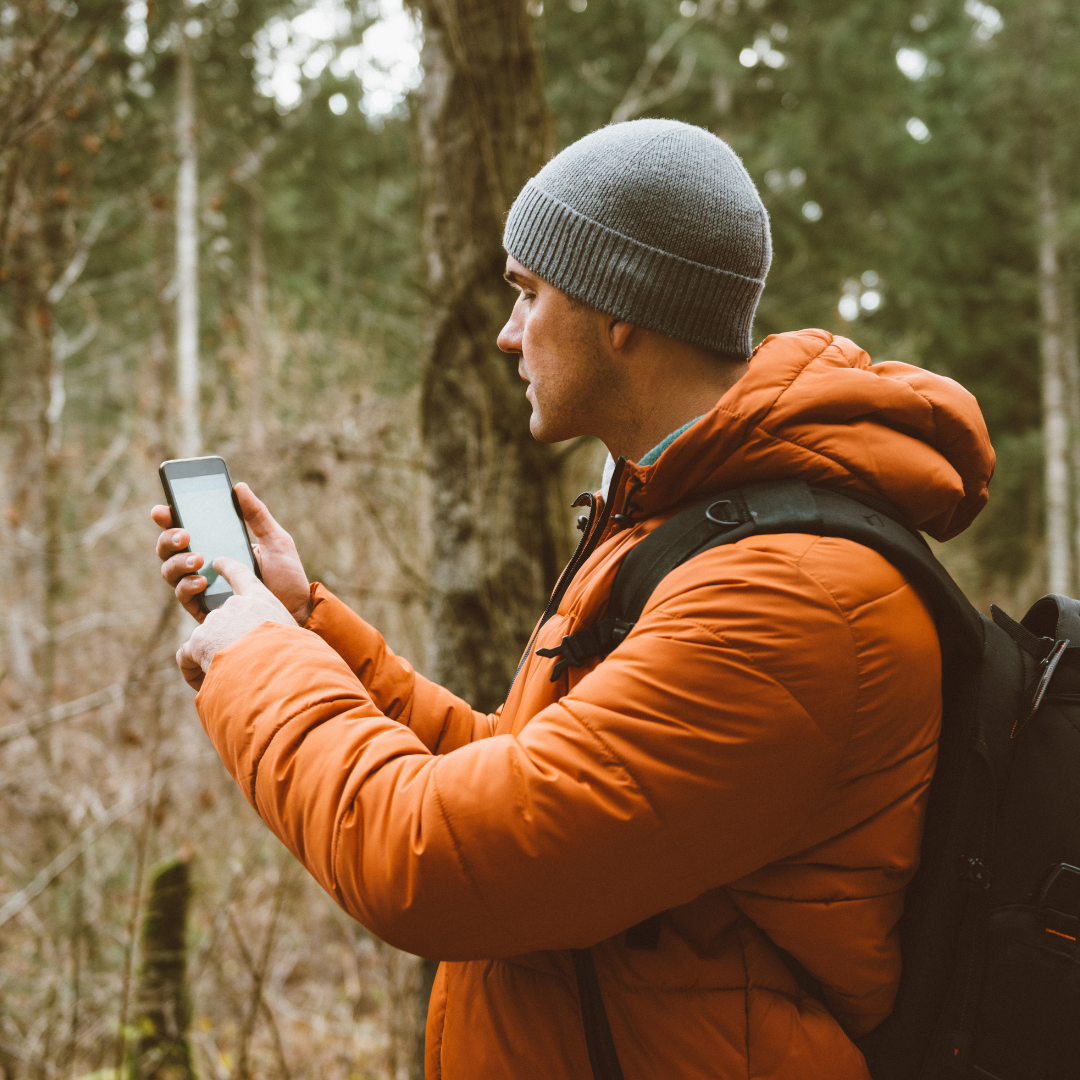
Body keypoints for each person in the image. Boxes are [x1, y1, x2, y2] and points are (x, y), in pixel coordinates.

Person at [153, 119, 994, 1079]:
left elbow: (439, 864)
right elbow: (524, 782)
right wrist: (307, 623)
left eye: (529, 294)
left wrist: (259, 656)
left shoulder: (786, 599)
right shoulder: (681, 532)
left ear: (619, 310)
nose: (508, 334)